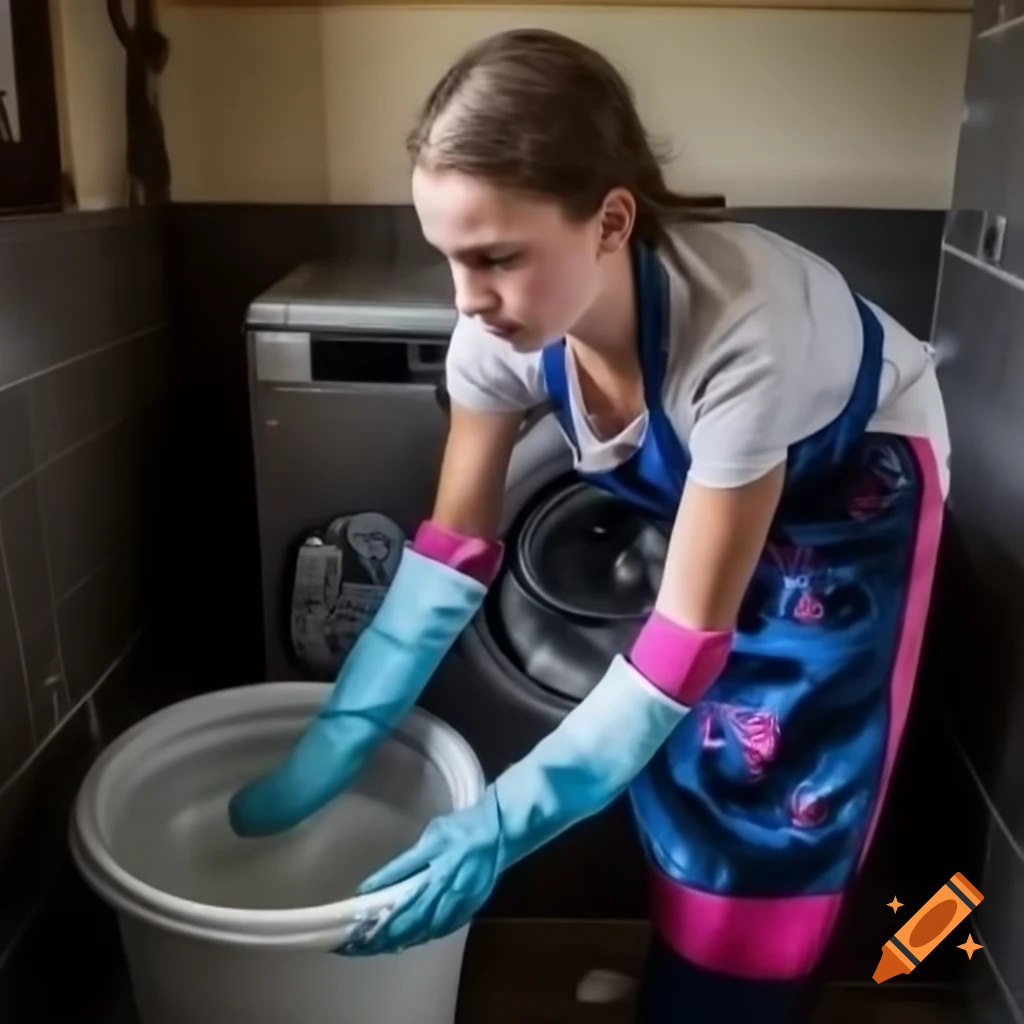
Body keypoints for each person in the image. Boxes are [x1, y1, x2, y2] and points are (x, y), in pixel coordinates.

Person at [228, 27, 950, 1023]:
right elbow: (452, 553)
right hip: (729, 482)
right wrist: (339, 737)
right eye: (449, 258)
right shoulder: (498, 332)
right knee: (681, 754)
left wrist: (500, 825)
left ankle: (726, 1006)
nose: (468, 300)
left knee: (775, 785)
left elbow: (681, 644)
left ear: (610, 221)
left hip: (851, 496)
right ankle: (681, 979)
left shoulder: (743, 332)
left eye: (497, 258)